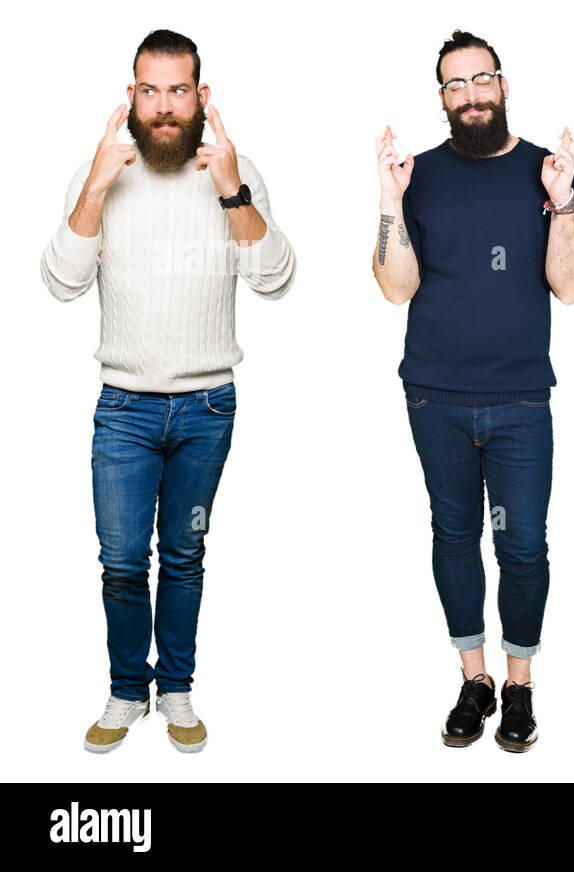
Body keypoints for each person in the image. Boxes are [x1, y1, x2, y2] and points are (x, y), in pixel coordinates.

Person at [41, 29, 296, 753]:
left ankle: (176, 689)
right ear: (131, 97)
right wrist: (95, 183)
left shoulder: (233, 172)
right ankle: (128, 691)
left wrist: (232, 191)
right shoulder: (101, 172)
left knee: (183, 556)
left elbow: (274, 278)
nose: (162, 108)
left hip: (206, 408)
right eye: (148, 92)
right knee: (122, 560)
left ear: (200, 96)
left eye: (177, 91)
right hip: (122, 409)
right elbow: (60, 282)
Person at [372, 30, 574, 753]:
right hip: (433, 396)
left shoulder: (546, 171)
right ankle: (475, 679)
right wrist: (389, 199)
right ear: (442, 98)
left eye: (481, 79)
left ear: (504, 86)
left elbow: (572, 287)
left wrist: (561, 203)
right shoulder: (421, 175)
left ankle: (520, 684)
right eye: (455, 85)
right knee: (452, 533)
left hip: (522, 399)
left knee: (524, 545)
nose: (470, 94)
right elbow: (394, 286)